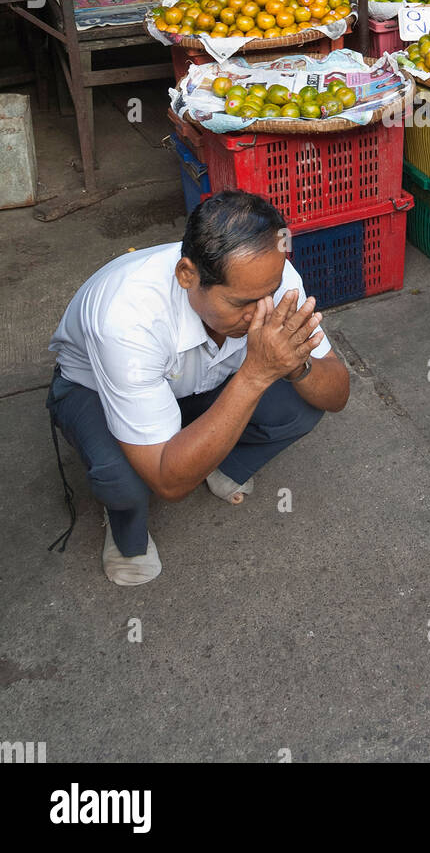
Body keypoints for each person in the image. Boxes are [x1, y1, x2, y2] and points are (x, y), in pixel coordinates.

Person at [46, 190, 349, 586]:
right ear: (187, 275)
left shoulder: (271, 281)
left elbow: (337, 394)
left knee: (301, 400)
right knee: (121, 479)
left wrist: (295, 365)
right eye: (241, 302)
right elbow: (168, 483)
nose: (261, 311)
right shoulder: (125, 319)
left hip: (199, 382)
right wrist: (256, 374)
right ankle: (127, 533)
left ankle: (222, 464)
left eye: (269, 293)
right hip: (95, 391)